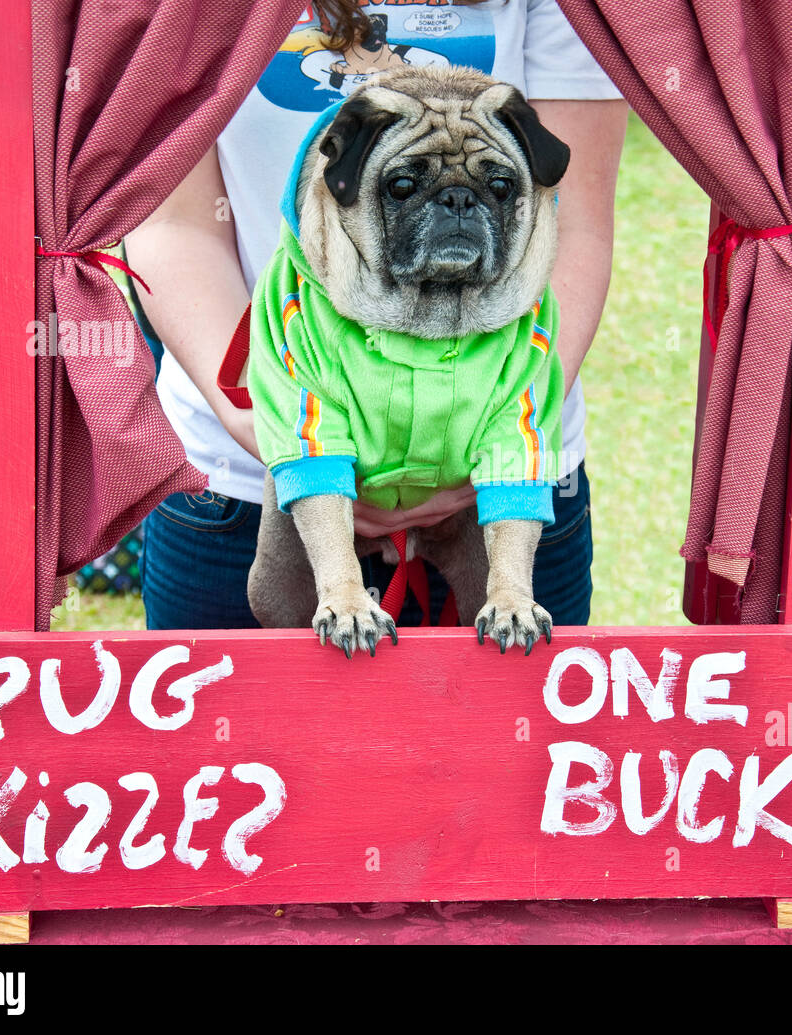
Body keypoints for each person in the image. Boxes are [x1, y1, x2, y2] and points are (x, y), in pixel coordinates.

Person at [124, 0, 626, 630]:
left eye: (486, 190)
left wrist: (498, 423)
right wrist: (277, 431)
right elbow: (174, 224)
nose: (456, 208)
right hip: (244, 480)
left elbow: (572, 222)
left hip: (498, 493)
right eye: (407, 185)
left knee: (498, 728)